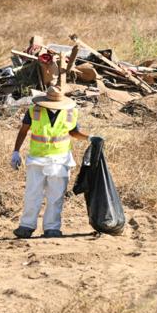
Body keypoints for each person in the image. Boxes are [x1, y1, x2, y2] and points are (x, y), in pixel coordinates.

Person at [9, 85, 92, 238]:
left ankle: (52, 228)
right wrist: (16, 151)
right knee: (32, 194)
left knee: (56, 196)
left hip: (60, 159)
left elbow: (73, 132)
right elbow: (23, 130)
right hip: (37, 159)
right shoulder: (34, 110)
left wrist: (89, 138)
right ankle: (26, 226)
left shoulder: (70, 112)